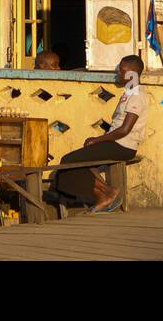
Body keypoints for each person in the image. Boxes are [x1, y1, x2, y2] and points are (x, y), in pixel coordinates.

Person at [54, 55, 146, 213]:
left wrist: (98, 139)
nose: (119, 73)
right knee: (77, 161)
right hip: (116, 143)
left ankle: (107, 192)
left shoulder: (137, 96)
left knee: (68, 160)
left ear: (133, 74)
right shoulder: (128, 93)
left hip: (123, 145)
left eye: (122, 71)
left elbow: (125, 130)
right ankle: (104, 193)